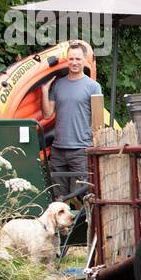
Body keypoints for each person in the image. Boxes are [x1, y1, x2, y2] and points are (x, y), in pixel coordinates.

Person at [39, 41, 101, 200]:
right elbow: (47, 115)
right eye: (71, 59)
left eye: (78, 59)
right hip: (58, 149)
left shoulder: (93, 87)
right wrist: (45, 90)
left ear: (85, 60)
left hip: (81, 150)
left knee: (81, 196)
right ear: (67, 60)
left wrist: (94, 145)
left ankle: (85, 225)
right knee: (58, 198)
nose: (74, 62)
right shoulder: (58, 84)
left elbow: (98, 120)